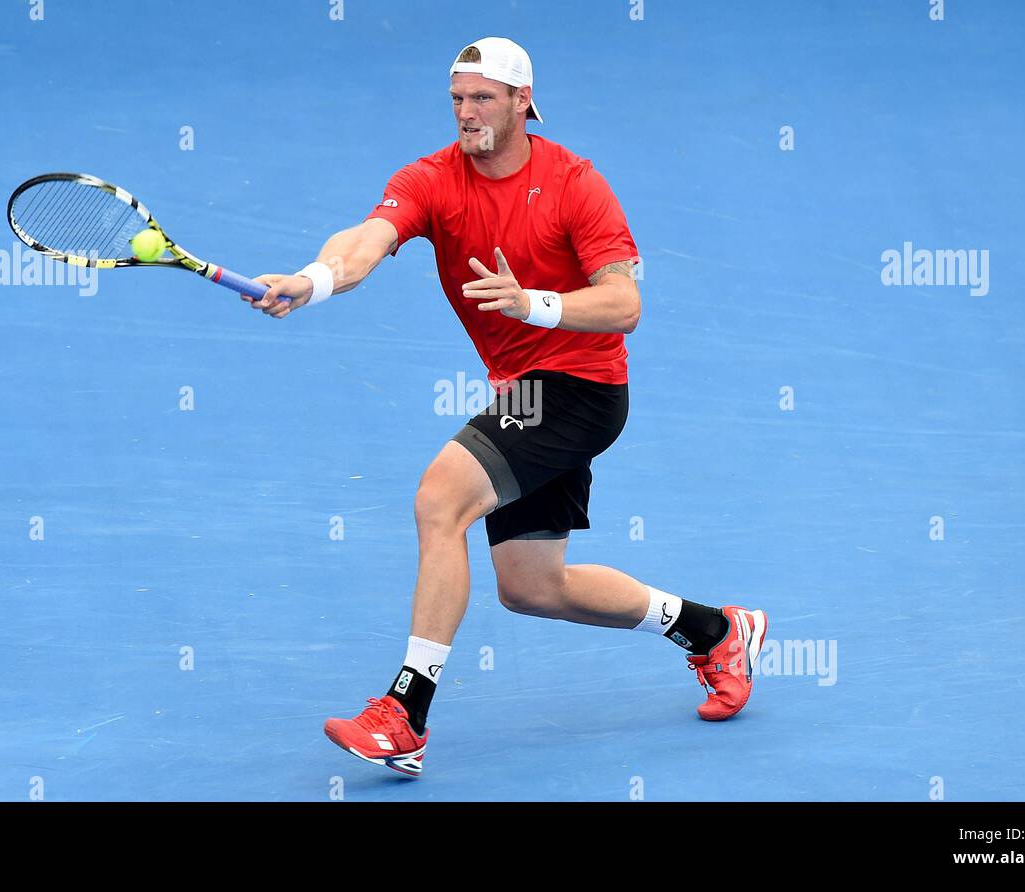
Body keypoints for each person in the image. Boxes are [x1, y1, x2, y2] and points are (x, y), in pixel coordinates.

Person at [247, 37, 768, 778]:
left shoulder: (576, 184)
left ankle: (405, 713)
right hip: (521, 390)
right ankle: (713, 630)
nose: (466, 112)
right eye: (457, 98)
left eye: (483, 98)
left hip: (581, 388)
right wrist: (313, 279)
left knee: (439, 500)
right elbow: (365, 241)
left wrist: (534, 304)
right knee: (533, 587)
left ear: (524, 101)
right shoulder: (430, 179)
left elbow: (624, 303)